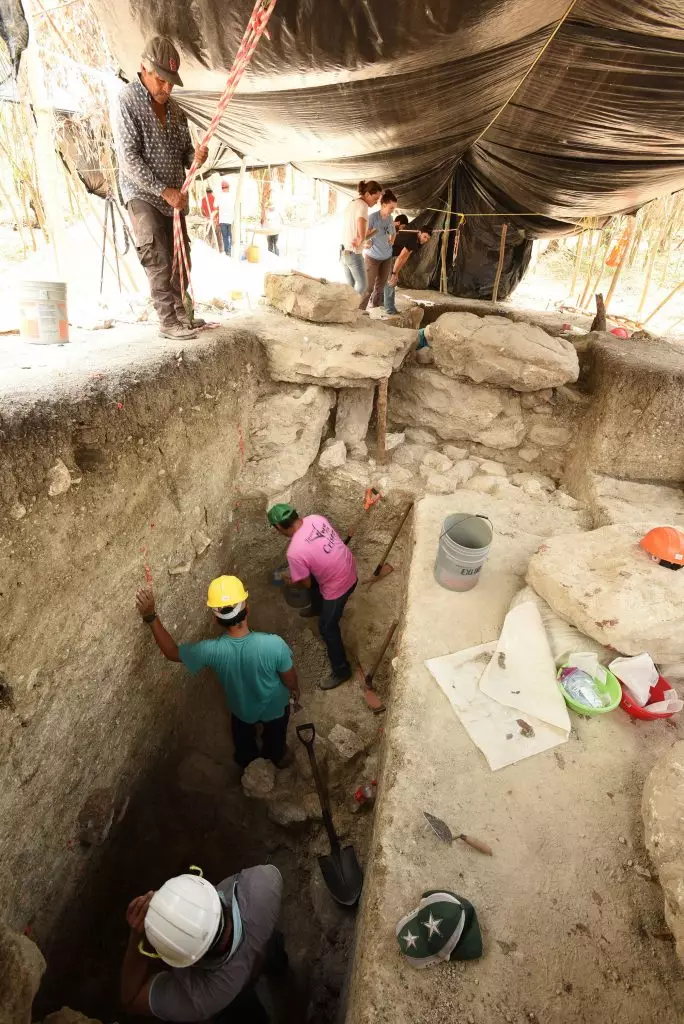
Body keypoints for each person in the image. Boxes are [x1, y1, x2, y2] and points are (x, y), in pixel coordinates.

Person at [135, 575, 300, 769]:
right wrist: (295, 690)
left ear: (216, 619)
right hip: (274, 708)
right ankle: (276, 756)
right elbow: (289, 679)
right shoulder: (274, 644)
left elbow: (172, 652)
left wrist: (150, 616)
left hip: (242, 710)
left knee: (243, 740)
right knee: (275, 736)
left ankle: (247, 763)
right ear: (247, 609)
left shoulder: (211, 651)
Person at [114, 37, 209, 341]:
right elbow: (129, 159)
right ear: (144, 67)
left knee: (182, 258)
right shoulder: (126, 101)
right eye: (161, 79)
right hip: (143, 195)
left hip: (174, 199)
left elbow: (185, 153)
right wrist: (163, 190)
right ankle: (167, 321)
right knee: (159, 257)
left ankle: (183, 314)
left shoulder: (176, 110)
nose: (167, 88)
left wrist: (197, 157)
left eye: (171, 83)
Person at [121, 863, 285, 1022]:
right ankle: (285, 980)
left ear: (191, 961)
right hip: (264, 944)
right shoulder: (265, 886)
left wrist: (137, 936)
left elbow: (131, 1001)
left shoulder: (202, 998)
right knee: (274, 953)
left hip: (232, 1004)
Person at [267, 504, 357, 690]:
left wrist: (290, 580)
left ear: (278, 527)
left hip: (340, 585)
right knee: (314, 577)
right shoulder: (316, 518)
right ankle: (317, 607)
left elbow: (305, 584)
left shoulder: (294, 552)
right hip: (349, 566)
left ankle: (341, 671)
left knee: (327, 627)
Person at [340, 180, 382, 295]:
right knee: (363, 285)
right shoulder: (363, 206)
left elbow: (357, 233)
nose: (376, 202)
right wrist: (361, 238)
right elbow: (360, 228)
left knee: (350, 286)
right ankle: (352, 307)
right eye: (375, 198)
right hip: (353, 253)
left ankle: (347, 308)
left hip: (343, 251)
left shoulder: (352, 203)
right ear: (367, 194)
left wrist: (375, 231)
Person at [359, 189, 397, 311]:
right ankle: (359, 309)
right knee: (368, 287)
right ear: (384, 205)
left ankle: (375, 306)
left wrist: (391, 241)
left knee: (380, 286)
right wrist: (365, 244)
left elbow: (393, 233)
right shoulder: (372, 218)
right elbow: (362, 236)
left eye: (394, 208)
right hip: (372, 257)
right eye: (391, 208)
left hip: (386, 257)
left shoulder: (390, 218)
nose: (393, 211)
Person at [384, 226, 432, 315]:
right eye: (425, 237)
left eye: (428, 239)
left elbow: (405, 257)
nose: (425, 240)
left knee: (388, 280)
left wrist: (397, 272)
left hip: (389, 254)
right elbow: (400, 257)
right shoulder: (412, 239)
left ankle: (382, 305)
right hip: (385, 253)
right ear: (420, 233)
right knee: (391, 282)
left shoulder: (418, 242)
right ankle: (389, 309)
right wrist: (394, 273)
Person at [218, 178, 234, 257]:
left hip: (222, 220)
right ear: (228, 187)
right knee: (230, 236)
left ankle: (227, 251)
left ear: (222, 188)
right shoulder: (232, 195)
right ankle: (230, 250)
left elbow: (215, 205)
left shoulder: (219, 195)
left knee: (225, 236)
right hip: (230, 219)